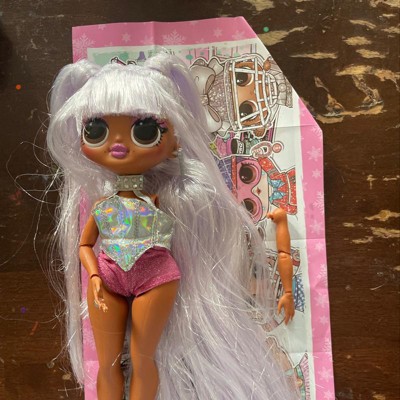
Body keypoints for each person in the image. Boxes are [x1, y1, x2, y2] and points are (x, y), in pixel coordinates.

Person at [47, 52, 298, 400]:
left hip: (155, 276)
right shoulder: (102, 204)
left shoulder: (171, 198)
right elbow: (85, 245)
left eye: (144, 131)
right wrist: (93, 275)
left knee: (143, 357)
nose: (117, 144)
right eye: (96, 130)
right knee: (108, 363)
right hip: (108, 275)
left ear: (175, 140)